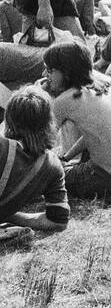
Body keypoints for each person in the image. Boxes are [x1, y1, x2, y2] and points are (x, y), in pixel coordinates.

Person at [43, 39, 111, 200]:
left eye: (49, 70)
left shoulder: (66, 100)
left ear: (66, 71)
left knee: (42, 175)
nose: (45, 75)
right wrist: (65, 158)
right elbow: (93, 135)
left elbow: (39, 146)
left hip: (102, 181)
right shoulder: (103, 87)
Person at [0, 86, 69, 239]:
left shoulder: (3, 146)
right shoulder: (53, 166)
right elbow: (58, 221)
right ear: (48, 123)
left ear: (9, 119)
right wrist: (10, 215)